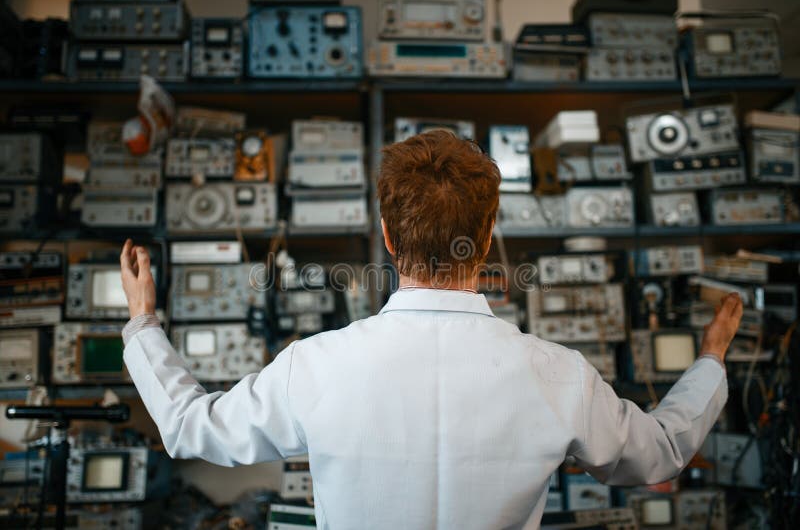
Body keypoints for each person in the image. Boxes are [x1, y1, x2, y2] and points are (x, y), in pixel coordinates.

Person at [119, 130, 742, 529]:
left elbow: (187, 426)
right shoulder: (561, 374)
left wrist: (144, 322)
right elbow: (661, 450)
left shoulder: (315, 366)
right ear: (488, 232)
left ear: (389, 237)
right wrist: (710, 358)